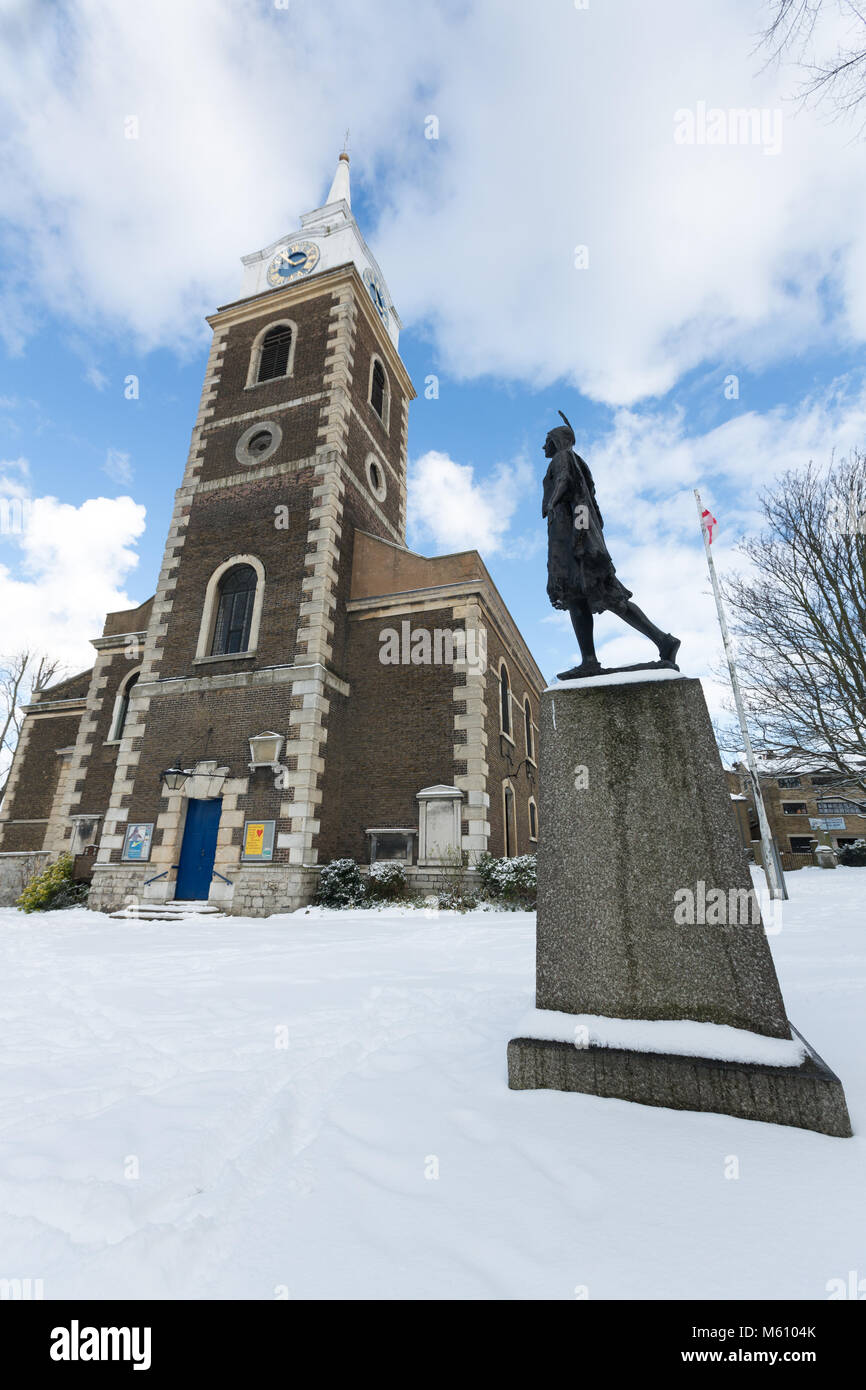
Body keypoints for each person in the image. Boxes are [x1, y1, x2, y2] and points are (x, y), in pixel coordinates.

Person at [543, 412, 680, 678]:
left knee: (607, 597)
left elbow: (577, 496)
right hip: (569, 542)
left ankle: (660, 640)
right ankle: (591, 659)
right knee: (577, 599)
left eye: (547, 440)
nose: (543, 446)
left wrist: (579, 538)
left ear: (558, 441)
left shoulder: (564, 459)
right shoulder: (572, 462)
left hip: (574, 545)